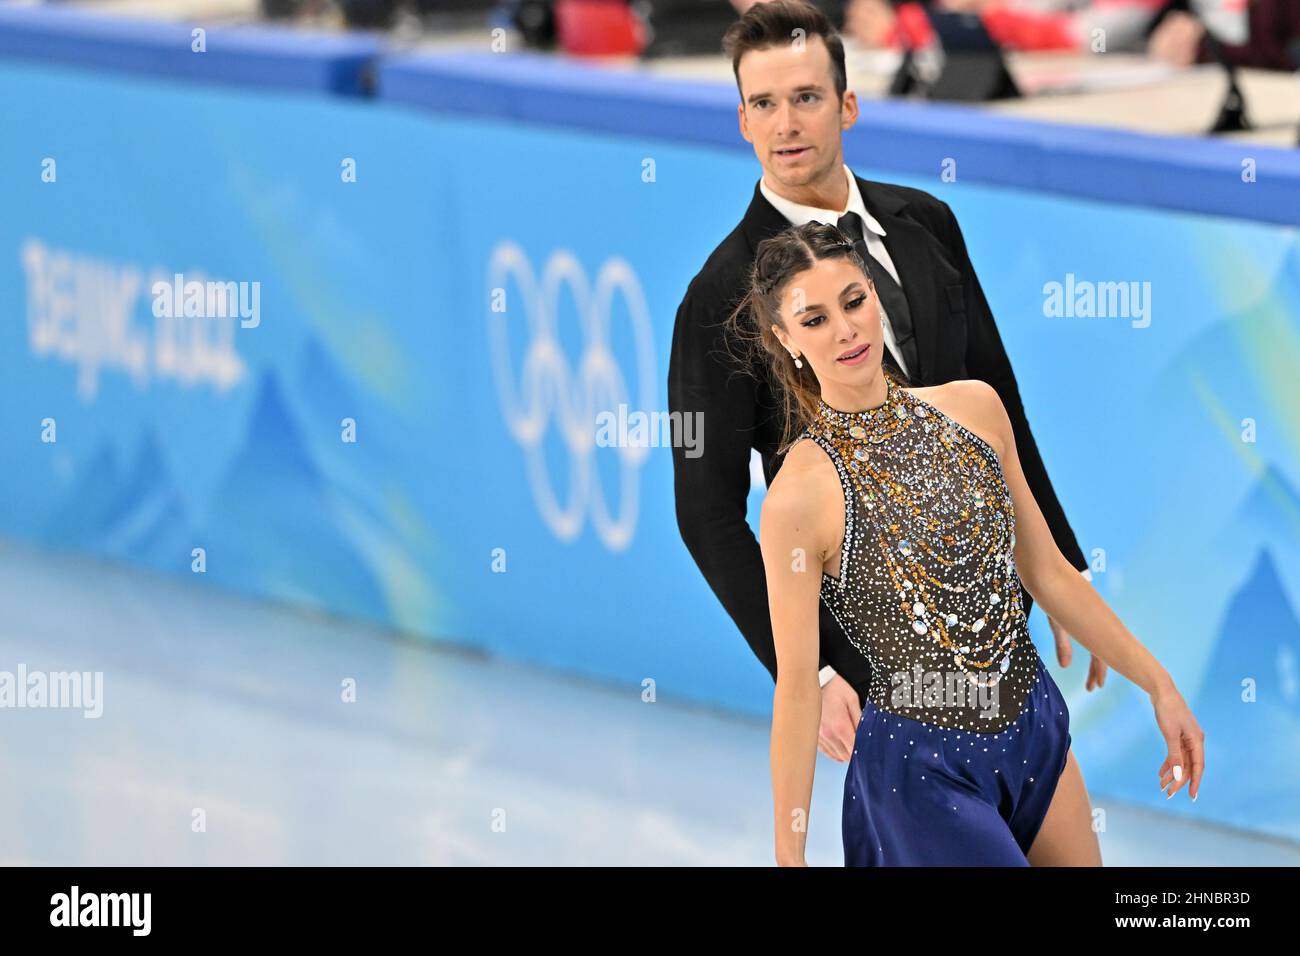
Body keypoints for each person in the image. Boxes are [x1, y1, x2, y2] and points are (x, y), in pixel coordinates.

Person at [667, 0, 1105, 771]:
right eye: (763, 104)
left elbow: (995, 398)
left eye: (806, 97)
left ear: (847, 105)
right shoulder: (720, 295)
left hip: (988, 619)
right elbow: (705, 511)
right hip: (871, 653)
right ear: (742, 121)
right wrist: (812, 668)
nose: (785, 124)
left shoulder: (926, 223)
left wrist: (1061, 565)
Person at [740, 220, 1203, 865]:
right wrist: (789, 854)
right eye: (814, 320)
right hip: (922, 772)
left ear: (875, 295)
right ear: (784, 340)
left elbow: (1047, 572)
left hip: (1033, 726)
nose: (845, 330)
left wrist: (1159, 684)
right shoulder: (798, 497)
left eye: (853, 301)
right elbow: (796, 686)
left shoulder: (976, 408)